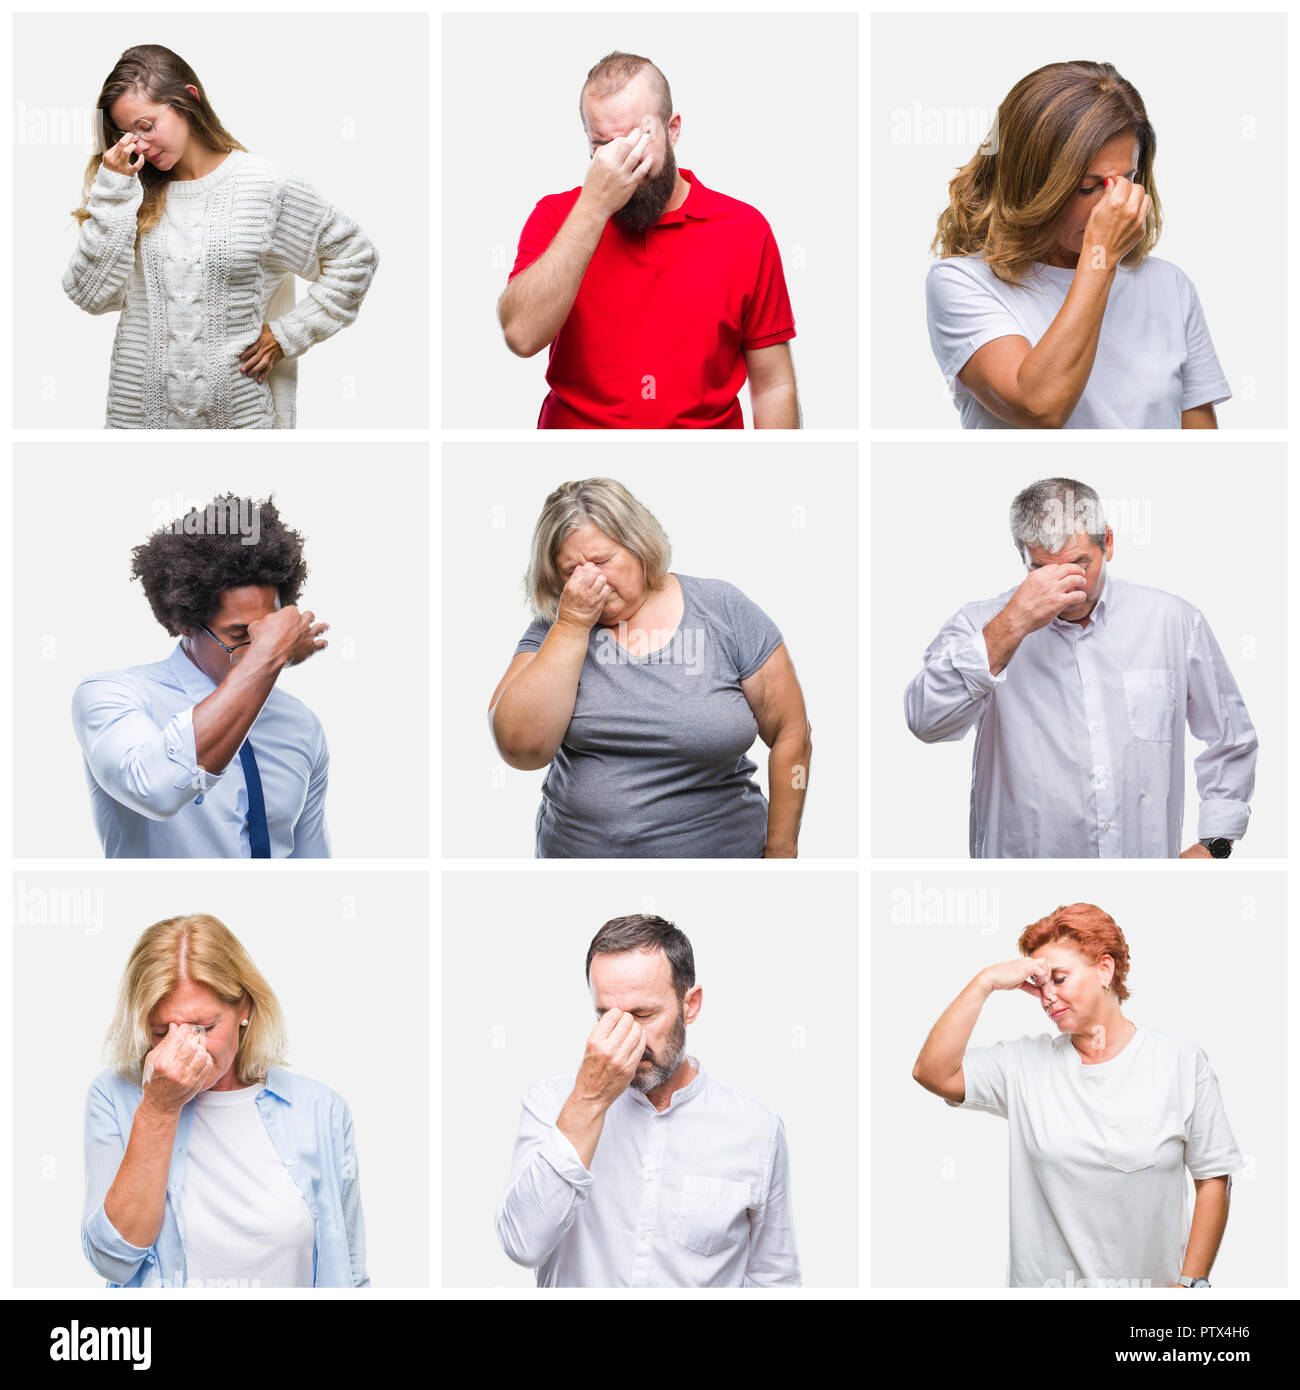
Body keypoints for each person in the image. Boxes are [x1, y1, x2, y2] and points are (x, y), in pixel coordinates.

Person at [903, 477, 1257, 857]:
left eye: (1078, 563)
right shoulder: (980, 625)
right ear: (1021, 554)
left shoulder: (1173, 621)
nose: (1067, 584)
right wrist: (1014, 623)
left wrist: (1215, 843)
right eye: (1042, 569)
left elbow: (1231, 737)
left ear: (1108, 542)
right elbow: (926, 722)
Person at [912, 903, 1242, 1288]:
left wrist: (1191, 1284)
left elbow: (1214, 1175)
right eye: (1039, 985)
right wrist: (984, 982)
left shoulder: (1180, 1061)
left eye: (1059, 978)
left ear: (1105, 970)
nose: (1046, 996)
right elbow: (932, 1072)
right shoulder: (1023, 1063)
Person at [489, 477, 812, 857]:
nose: (588, 579)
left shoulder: (722, 608)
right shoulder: (553, 626)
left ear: (638, 546)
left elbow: (792, 731)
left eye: (601, 560)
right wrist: (573, 624)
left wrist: (781, 852)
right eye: (570, 570)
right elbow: (521, 749)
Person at [62, 44, 378, 428]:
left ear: (188, 100)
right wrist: (112, 187)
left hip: (239, 421)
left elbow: (355, 257)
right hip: (137, 423)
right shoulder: (127, 193)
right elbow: (90, 296)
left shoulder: (265, 186)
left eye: (146, 126)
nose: (138, 144)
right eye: (127, 133)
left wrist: (287, 335)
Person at [498, 51, 799, 429]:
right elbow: (521, 336)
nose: (622, 161)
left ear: (672, 128)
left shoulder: (745, 229)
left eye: (637, 140)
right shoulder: (558, 216)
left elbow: (772, 383)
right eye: (602, 145)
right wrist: (594, 206)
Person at [495, 914, 800, 1287]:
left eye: (643, 1014)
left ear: (691, 1004)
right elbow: (522, 1245)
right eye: (606, 1015)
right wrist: (589, 1100)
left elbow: (775, 1280)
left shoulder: (757, 1129)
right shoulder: (551, 1103)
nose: (626, 1037)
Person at [925, 61, 1229, 429]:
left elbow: (1204, 454)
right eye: (1089, 187)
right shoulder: (962, 282)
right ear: (1031, 183)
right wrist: (1100, 256)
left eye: (1128, 180)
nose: (1113, 203)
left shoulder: (1170, 286)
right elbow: (1039, 407)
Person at [82, 914, 368, 1288]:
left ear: (244, 1008)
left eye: (204, 1027)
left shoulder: (321, 1110)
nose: (184, 1047)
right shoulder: (114, 1097)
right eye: (161, 1031)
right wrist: (159, 1108)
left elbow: (351, 1270)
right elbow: (112, 1261)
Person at [71, 493, 331, 858]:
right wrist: (271, 655)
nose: (258, 649)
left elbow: (311, 860)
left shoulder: (301, 724)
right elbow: (156, 790)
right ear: (187, 624)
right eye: (241, 636)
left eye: (270, 633)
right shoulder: (113, 695)